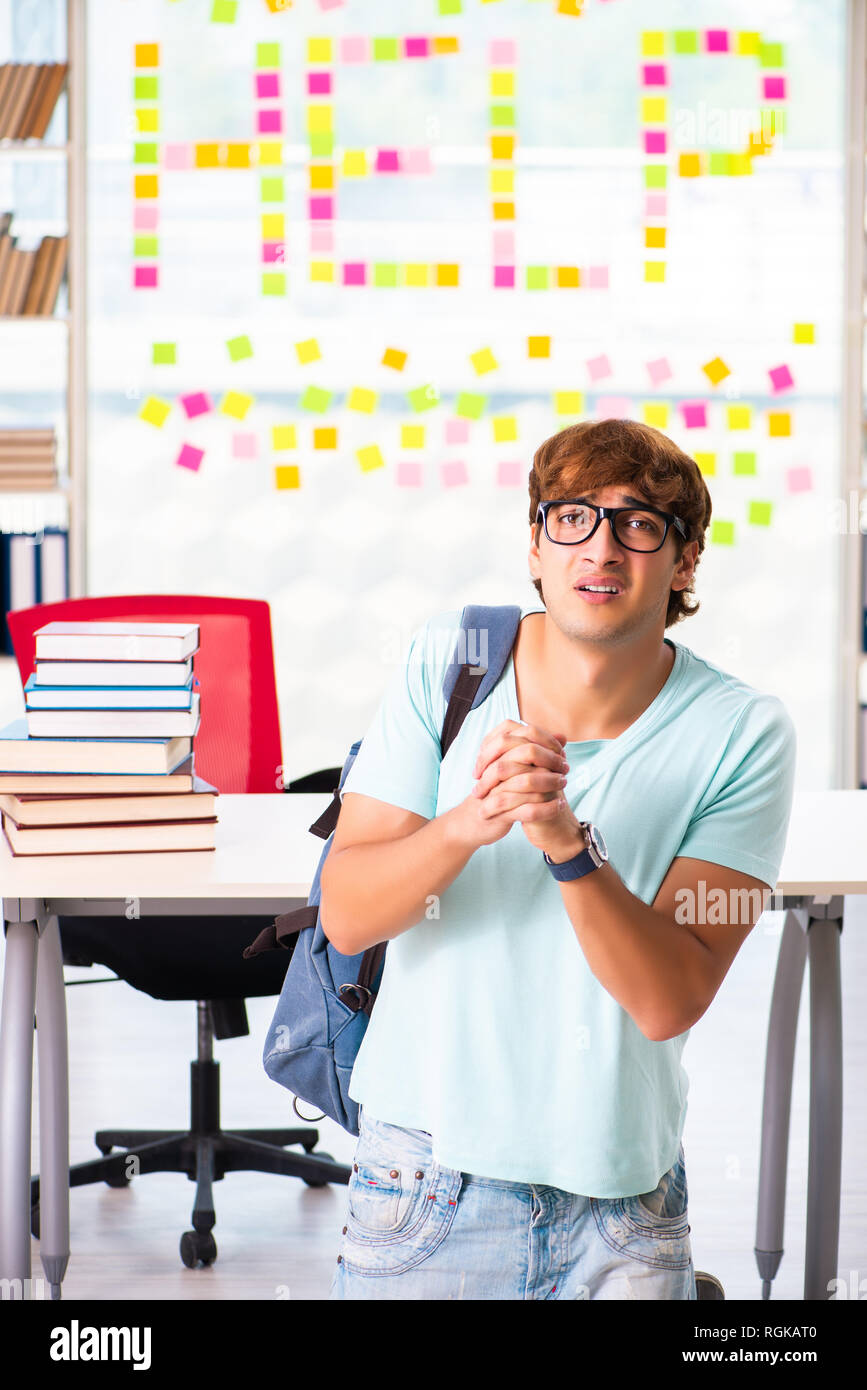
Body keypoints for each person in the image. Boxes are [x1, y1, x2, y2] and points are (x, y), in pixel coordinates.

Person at [321, 418, 797, 1300]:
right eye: (572, 518)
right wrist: (471, 820)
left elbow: (669, 999)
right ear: (536, 548)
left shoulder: (743, 731)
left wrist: (568, 850)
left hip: (621, 1201)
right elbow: (348, 913)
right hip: (426, 1179)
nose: (602, 547)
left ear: (684, 563)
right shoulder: (451, 662)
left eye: (639, 523)